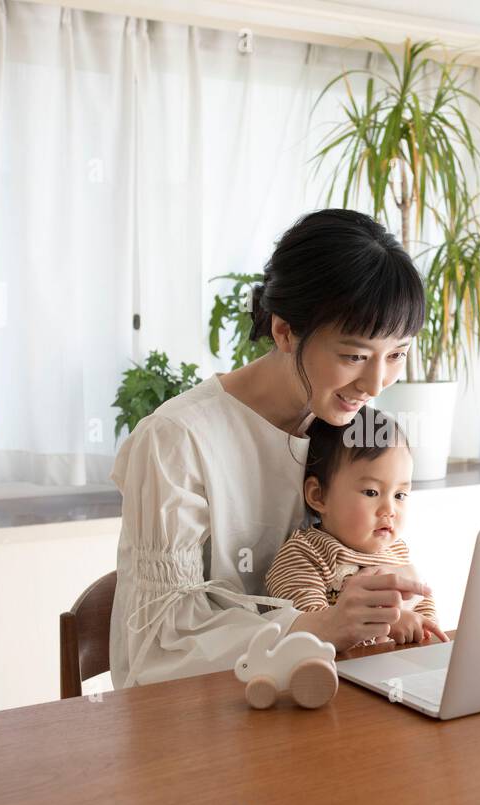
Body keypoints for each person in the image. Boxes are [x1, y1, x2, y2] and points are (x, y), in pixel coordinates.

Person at [108, 208, 433, 689]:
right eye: (354, 356)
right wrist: (322, 626)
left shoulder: (349, 431)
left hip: (321, 702)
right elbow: (159, 645)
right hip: (199, 720)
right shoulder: (177, 440)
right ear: (284, 331)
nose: (376, 383)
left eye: (397, 355)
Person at [264, 404, 449, 648]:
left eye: (400, 495)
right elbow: (307, 630)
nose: (390, 510)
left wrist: (421, 624)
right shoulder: (304, 555)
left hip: (386, 670)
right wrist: (387, 622)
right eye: (371, 492)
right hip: (331, 678)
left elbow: (423, 606)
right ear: (318, 495)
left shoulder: (396, 552)